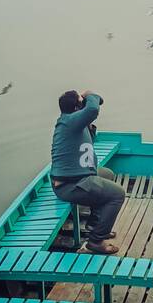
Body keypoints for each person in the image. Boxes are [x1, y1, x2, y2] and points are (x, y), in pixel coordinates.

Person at [49, 89, 125, 254]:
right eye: (81, 103)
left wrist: (86, 103)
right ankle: (96, 241)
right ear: (77, 108)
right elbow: (93, 109)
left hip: (79, 176)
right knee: (117, 194)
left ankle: (95, 226)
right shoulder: (69, 122)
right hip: (69, 184)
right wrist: (90, 94)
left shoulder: (74, 123)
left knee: (107, 174)